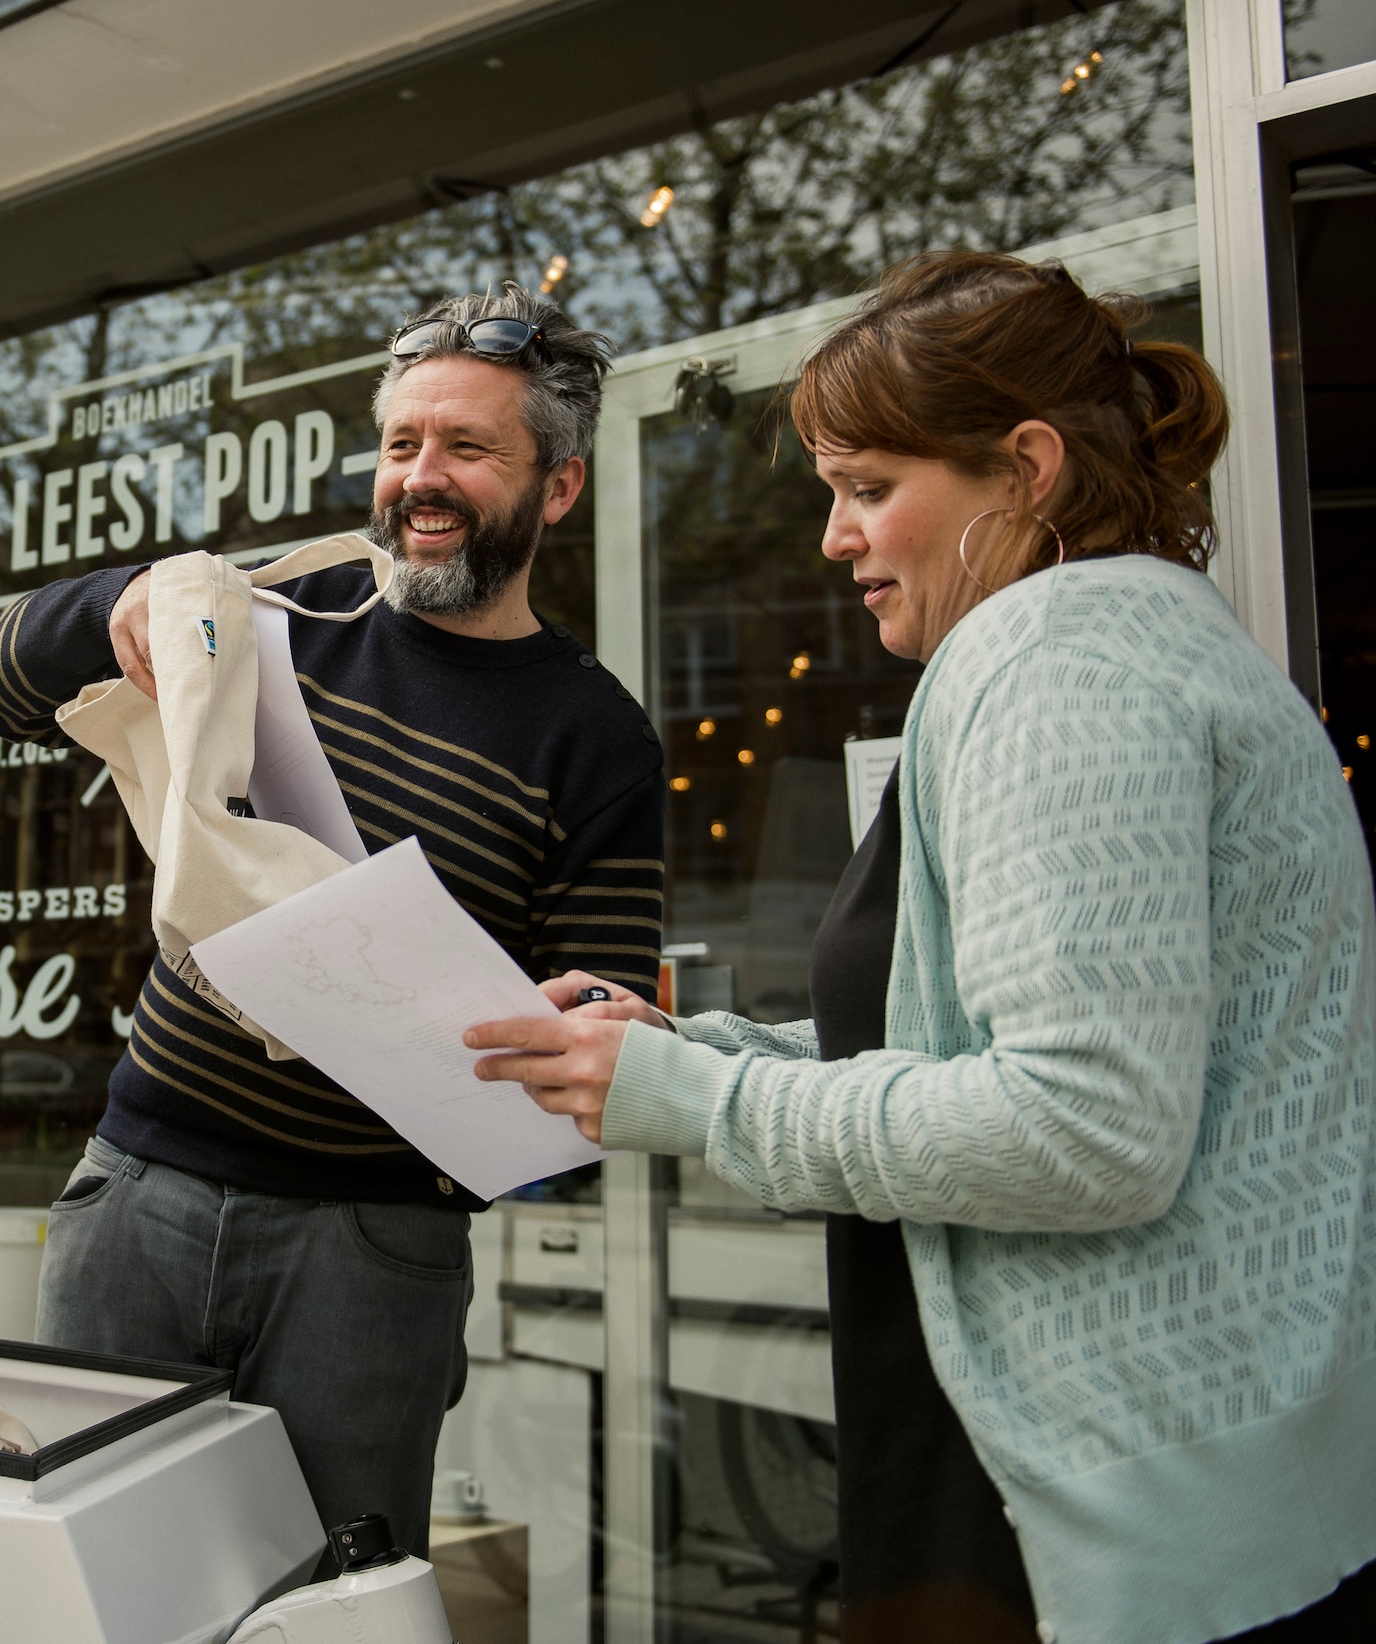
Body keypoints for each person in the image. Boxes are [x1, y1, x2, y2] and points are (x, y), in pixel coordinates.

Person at [468, 253, 1376, 1644]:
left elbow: (1086, 1124)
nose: (834, 536)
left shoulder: (1053, 659)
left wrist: (706, 1103)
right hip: (1185, 1481)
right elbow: (993, 1054)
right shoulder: (1158, 641)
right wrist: (693, 1048)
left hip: (1086, 1531)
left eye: (868, 486)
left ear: (1027, 470)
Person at [0, 286, 666, 1548]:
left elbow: (600, 1031)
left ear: (556, 488)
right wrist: (121, 598)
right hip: (139, 1200)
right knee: (82, 1575)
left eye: (466, 448)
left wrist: (585, 1027)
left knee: (334, 1601)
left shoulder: (595, 735)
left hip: (374, 1251)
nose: (420, 479)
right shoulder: (273, 620)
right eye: (400, 445)